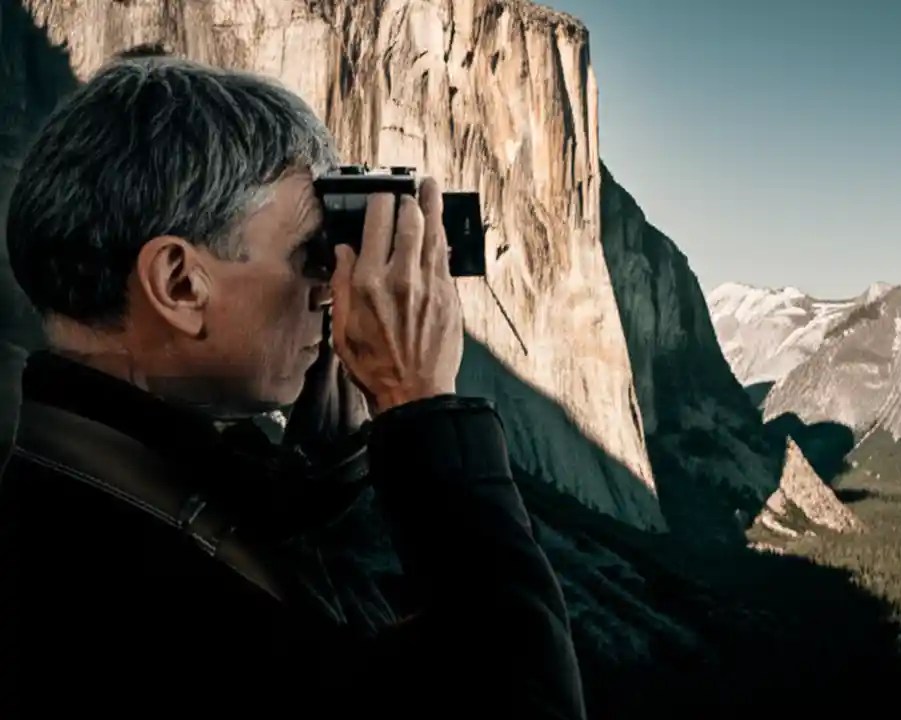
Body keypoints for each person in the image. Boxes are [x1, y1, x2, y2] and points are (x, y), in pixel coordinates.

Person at [0, 51, 587, 717]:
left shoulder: (83, 489)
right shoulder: (111, 596)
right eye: (312, 255)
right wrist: (419, 401)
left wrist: (327, 472)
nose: (331, 291)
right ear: (180, 283)